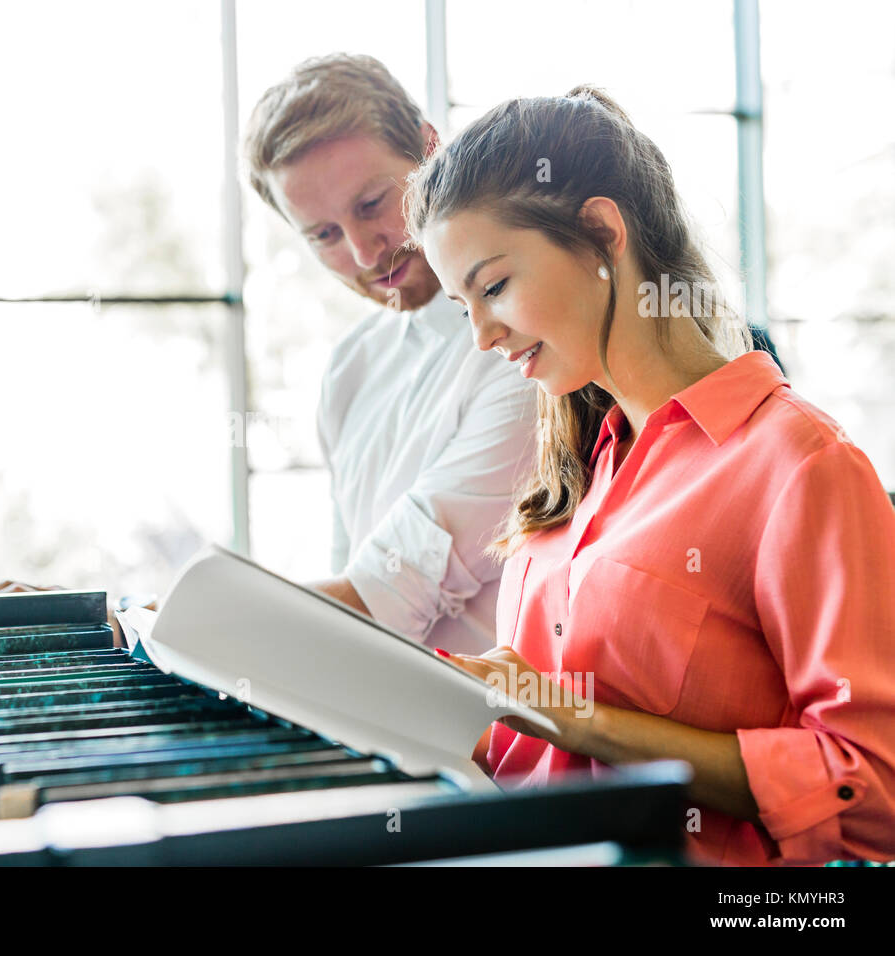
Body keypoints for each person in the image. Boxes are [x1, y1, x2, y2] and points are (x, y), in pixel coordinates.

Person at [408, 86, 895, 865]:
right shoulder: (579, 464)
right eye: (463, 304)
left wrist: (573, 715)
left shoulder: (802, 467)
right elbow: (528, 761)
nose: (481, 335)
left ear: (602, 233)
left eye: (494, 286)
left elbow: (873, 790)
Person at [243, 54, 538, 654]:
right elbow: (344, 594)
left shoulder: (529, 345)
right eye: (324, 235)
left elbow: (382, 595)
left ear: (431, 151)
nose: (363, 250)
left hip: (502, 742)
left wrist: (144, 618)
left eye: (372, 203)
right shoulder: (349, 371)